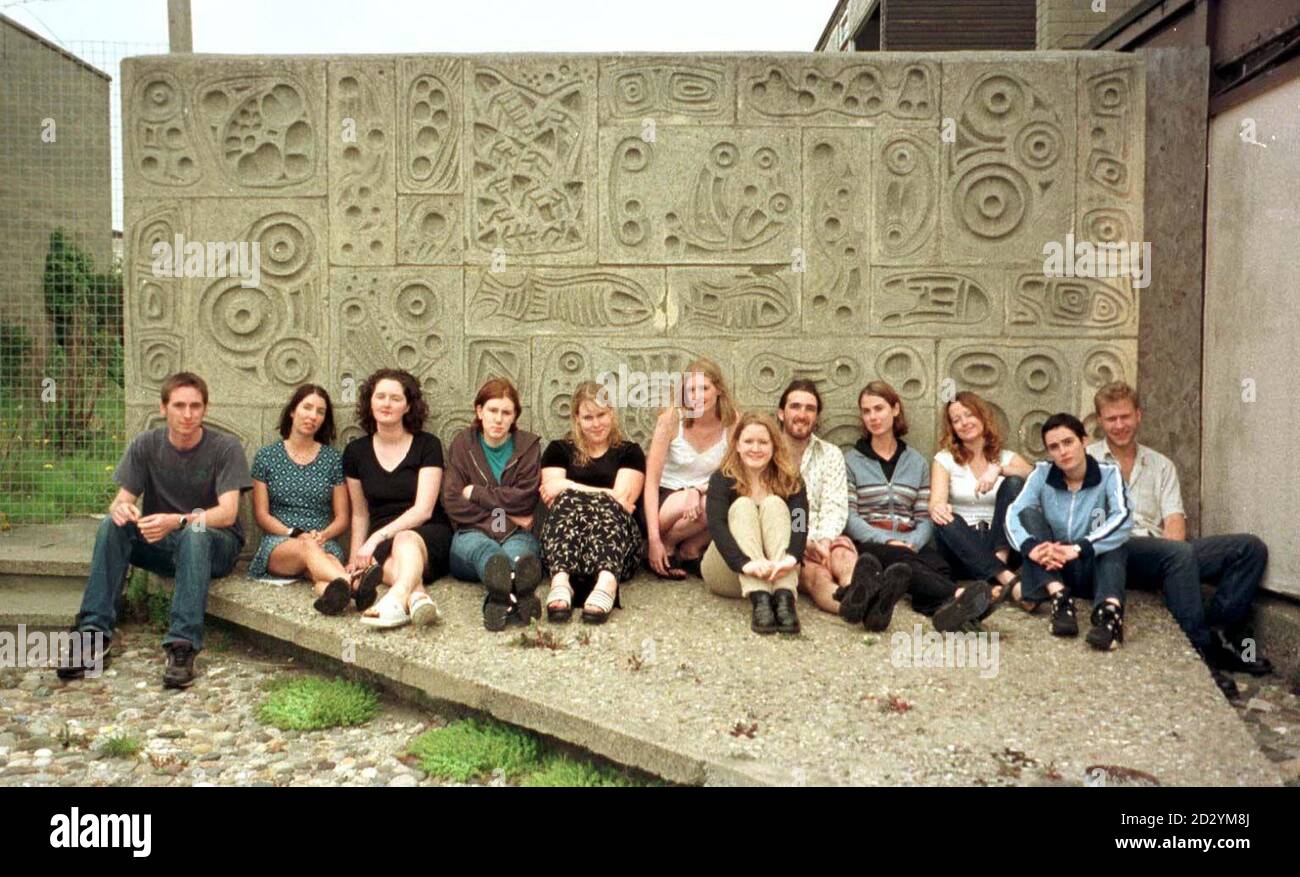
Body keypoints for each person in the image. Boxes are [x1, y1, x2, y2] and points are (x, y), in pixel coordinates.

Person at [57, 372, 251, 689]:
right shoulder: (145, 445)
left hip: (216, 546)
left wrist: (177, 520)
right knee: (112, 525)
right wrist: (122, 509)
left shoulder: (225, 448)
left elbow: (227, 514)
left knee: (195, 531)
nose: (187, 414)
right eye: (179, 406)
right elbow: (121, 501)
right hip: (166, 544)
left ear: (205, 409)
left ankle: (182, 646)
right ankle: (93, 635)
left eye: (195, 406)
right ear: (163, 408)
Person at [1088, 381, 1272, 696]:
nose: (1119, 426)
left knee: (1249, 548)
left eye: (1125, 417)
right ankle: (1203, 659)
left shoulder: (1161, 465)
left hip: (1162, 554)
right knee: (1162, 553)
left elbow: (1174, 520)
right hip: (1114, 555)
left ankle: (1221, 633)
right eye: (1111, 419)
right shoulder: (1086, 461)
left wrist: (1173, 557)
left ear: (1139, 415)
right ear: (1100, 421)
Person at [843, 381, 988, 632]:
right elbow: (850, 517)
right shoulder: (851, 461)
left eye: (879, 408)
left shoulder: (916, 462)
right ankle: (958, 595)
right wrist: (887, 540)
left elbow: (924, 516)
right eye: (866, 411)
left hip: (910, 540)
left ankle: (943, 612)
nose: (873, 417)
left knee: (939, 566)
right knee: (906, 563)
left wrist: (913, 542)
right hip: (872, 542)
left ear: (895, 409)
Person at [1005, 413, 1132, 650]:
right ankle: (1060, 601)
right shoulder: (1042, 473)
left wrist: (1079, 548)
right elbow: (1014, 513)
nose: (1062, 451)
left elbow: (1123, 517)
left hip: (1093, 566)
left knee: (1114, 542)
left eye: (1068, 442)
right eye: (1054, 447)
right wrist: (1030, 549)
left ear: (1083, 441)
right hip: (1054, 567)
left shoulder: (1109, 473)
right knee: (1028, 516)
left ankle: (1109, 617)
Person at [342, 368, 452, 630]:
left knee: (403, 539)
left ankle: (395, 598)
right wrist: (355, 556)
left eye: (395, 398)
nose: (386, 404)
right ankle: (417, 599)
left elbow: (423, 510)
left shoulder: (428, 445)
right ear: (370, 402)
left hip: (428, 533)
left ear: (408, 406)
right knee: (385, 564)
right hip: (381, 543)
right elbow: (360, 513)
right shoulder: (355, 452)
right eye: (380, 396)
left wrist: (376, 538)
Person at [539, 381, 646, 623]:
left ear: (612, 413)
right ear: (576, 418)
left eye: (602, 415)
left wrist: (570, 485)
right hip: (564, 550)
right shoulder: (558, 450)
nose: (596, 423)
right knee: (566, 500)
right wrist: (605, 493)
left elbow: (622, 501)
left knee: (597, 503)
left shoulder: (629, 452)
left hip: (618, 552)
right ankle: (560, 583)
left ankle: (607, 583)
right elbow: (552, 495)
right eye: (588, 417)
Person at [442, 378, 543, 631]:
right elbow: (453, 501)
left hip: (516, 534)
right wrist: (507, 515)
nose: (498, 419)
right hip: (471, 533)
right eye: (492, 410)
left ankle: (498, 599)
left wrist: (476, 492)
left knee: (519, 557)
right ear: (479, 411)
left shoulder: (527, 446)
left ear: (514, 416)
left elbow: (525, 497)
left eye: (506, 412)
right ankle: (519, 594)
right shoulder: (463, 444)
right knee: (487, 552)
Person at [249, 384, 354, 616]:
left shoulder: (332, 459)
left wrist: (323, 535)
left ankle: (332, 595)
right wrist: (295, 533)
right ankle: (355, 583)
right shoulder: (266, 457)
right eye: (307, 407)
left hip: (322, 540)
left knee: (325, 570)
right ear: (292, 411)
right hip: (280, 543)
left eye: (320, 411)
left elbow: (343, 517)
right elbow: (261, 515)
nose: (313, 416)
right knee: (310, 548)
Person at [701, 413, 807, 635]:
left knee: (775, 504)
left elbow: (799, 521)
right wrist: (745, 563)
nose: (755, 448)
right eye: (748, 441)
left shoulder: (791, 479)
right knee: (743, 506)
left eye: (763, 442)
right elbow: (716, 526)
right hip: (730, 571)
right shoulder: (721, 479)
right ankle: (760, 599)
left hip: (778, 570)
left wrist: (792, 557)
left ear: (774, 446)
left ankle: (784, 598)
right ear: (737, 445)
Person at [930, 391, 1033, 609]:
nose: (964, 423)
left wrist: (999, 470)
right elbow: (936, 501)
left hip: (1002, 544)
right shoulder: (944, 459)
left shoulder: (1007, 458)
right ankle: (1007, 579)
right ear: (952, 428)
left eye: (969, 415)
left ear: (982, 416)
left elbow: (1035, 477)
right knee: (944, 519)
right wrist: (940, 507)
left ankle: (997, 566)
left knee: (1013, 483)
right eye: (956, 420)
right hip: (963, 548)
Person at [644, 358, 738, 579]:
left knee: (726, 502)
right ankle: (661, 546)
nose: (697, 396)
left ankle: (685, 548)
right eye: (691, 390)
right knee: (711, 505)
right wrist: (653, 539)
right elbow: (651, 482)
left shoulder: (732, 422)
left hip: (707, 493)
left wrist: (698, 490)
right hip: (666, 498)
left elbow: (736, 473)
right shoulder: (670, 419)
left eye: (704, 388)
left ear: (718, 390)